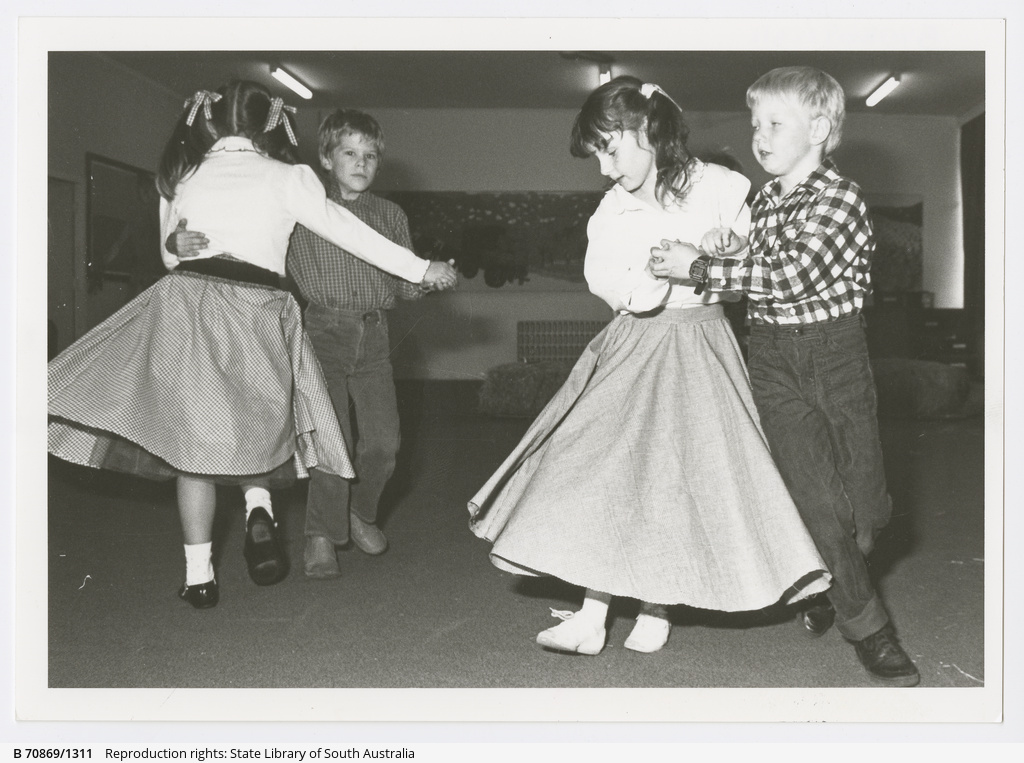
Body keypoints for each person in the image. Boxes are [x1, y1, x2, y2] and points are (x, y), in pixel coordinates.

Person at [48, 80, 457, 610]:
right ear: (272, 124)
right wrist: (422, 266)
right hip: (255, 309)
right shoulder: (288, 176)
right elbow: (346, 229)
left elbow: (172, 255)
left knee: (190, 444)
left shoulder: (182, 174)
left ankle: (199, 576)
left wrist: (174, 245)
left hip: (187, 304)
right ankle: (257, 506)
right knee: (259, 421)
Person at [468, 76, 830, 657]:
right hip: (635, 346)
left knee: (680, 477)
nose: (605, 169)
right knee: (606, 470)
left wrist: (728, 250)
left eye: (611, 149)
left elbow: (745, 277)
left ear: (649, 132)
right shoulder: (611, 212)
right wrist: (650, 276)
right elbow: (610, 285)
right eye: (597, 157)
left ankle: (658, 603)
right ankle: (592, 614)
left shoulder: (722, 186)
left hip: (701, 347)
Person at [648, 66, 919, 686]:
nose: (759, 136)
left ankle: (826, 572)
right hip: (771, 359)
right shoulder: (764, 199)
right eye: (754, 124)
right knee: (818, 500)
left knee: (865, 512)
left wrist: (700, 269)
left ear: (819, 129)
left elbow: (794, 277)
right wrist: (728, 249)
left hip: (836, 356)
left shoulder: (841, 198)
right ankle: (870, 630)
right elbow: (762, 265)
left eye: (774, 124)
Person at [172, 108, 457, 581]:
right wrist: (184, 242)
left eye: (369, 156)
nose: (360, 163)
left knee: (384, 444)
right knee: (332, 438)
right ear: (326, 157)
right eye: (349, 152)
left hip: (375, 334)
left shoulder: (390, 215)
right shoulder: (299, 204)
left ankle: (359, 513)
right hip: (322, 330)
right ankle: (320, 535)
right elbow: (251, 240)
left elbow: (403, 284)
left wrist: (427, 279)